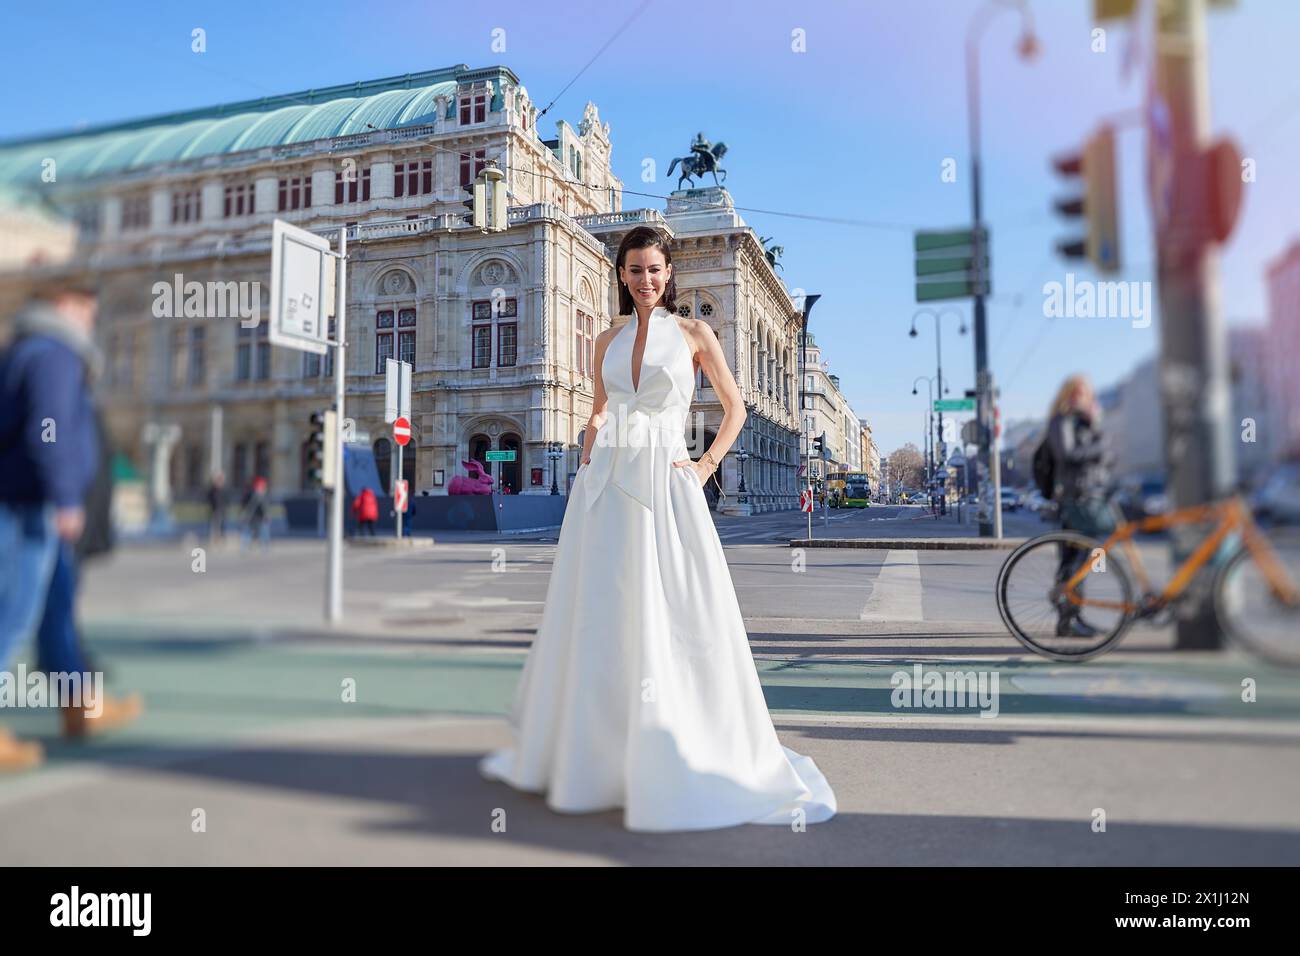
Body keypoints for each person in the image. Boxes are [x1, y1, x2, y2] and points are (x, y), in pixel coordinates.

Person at [478, 226, 836, 831]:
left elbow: (736, 407)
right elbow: (597, 411)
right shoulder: (607, 337)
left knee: (678, 607)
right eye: (635, 269)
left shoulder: (694, 333)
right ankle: (601, 755)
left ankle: (675, 745)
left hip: (668, 482)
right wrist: (583, 472)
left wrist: (704, 467)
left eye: (655, 270)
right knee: (603, 609)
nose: (646, 279)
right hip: (606, 484)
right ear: (622, 275)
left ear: (669, 276)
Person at [0, 281, 141, 770]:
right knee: (12, 612)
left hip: (26, 501)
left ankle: (82, 705)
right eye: (86, 311)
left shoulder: (28, 349)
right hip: (26, 504)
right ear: (61, 306)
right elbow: (49, 427)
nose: (91, 322)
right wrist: (65, 497)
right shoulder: (52, 353)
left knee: (54, 607)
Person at [1045, 374, 1116, 637]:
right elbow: (1068, 455)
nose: (1080, 397)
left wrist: (1096, 432)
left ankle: (1073, 617)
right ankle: (1067, 619)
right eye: (1075, 392)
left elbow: (1102, 459)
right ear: (1066, 395)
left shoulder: (1085, 423)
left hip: (1092, 496)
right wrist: (1099, 446)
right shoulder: (1061, 421)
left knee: (1082, 561)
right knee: (1075, 563)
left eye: (1084, 392)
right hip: (1076, 499)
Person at [240, 475, 270, 551]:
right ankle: (244, 546)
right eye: (261, 486)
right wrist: (244, 513)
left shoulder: (264, 495)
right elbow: (245, 504)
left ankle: (264, 546)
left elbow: (265, 507)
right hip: (251, 517)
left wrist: (266, 515)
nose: (262, 488)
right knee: (248, 531)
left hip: (261, 517)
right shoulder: (250, 494)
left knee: (263, 531)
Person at [206, 471, 227, 541]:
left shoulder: (223, 490)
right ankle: (214, 538)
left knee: (222, 525)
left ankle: (221, 538)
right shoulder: (212, 490)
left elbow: (226, 500)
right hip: (214, 510)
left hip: (222, 510)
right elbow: (209, 499)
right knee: (214, 524)